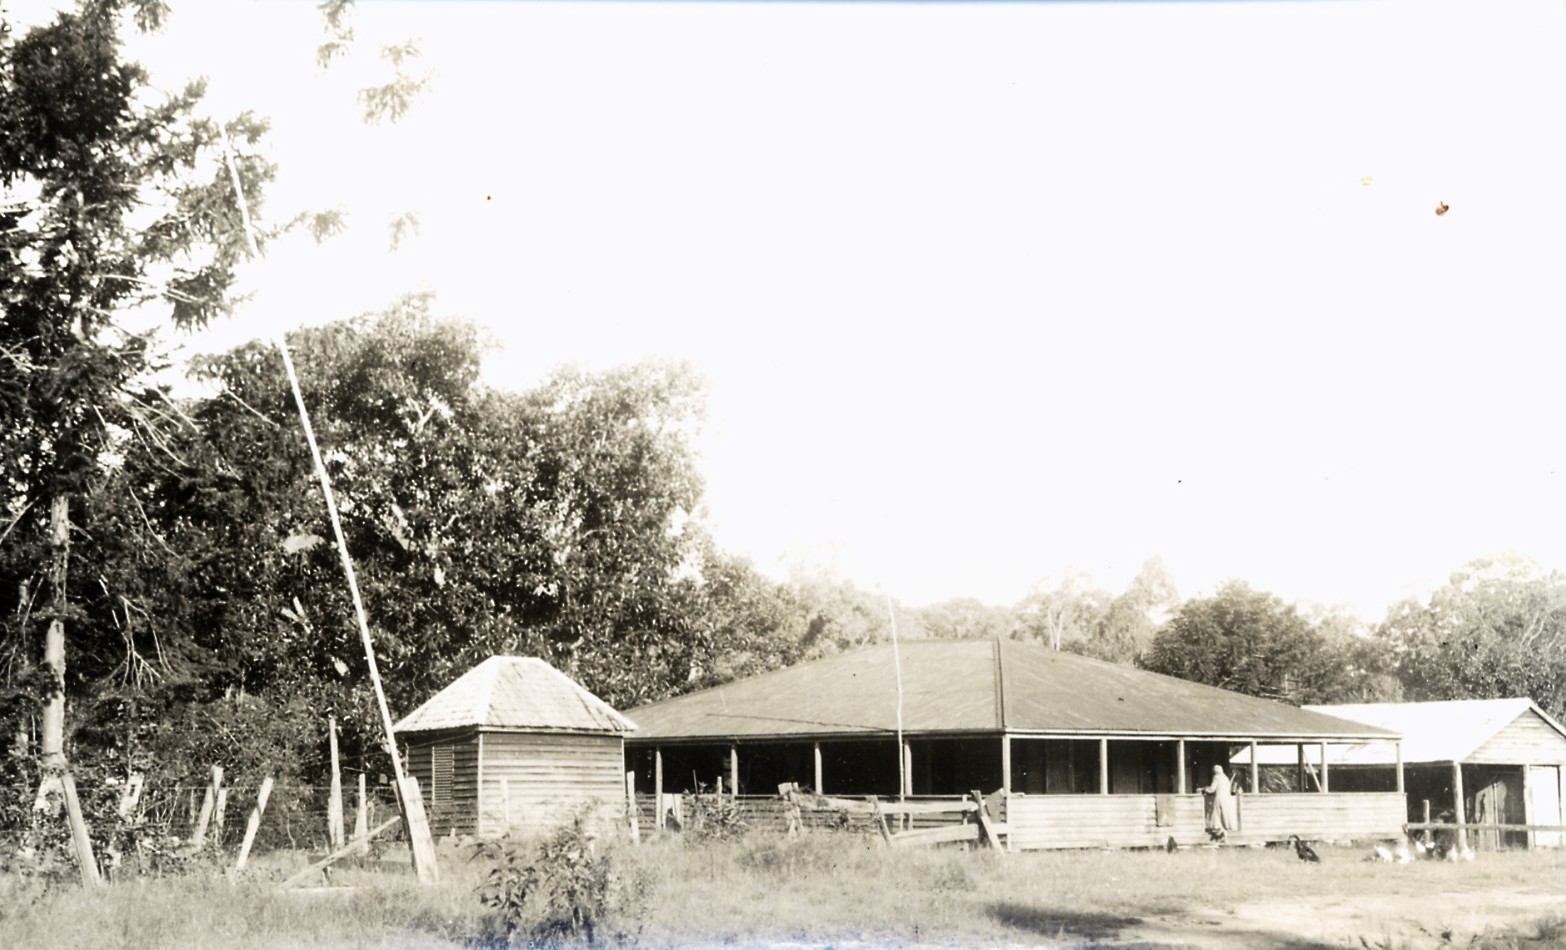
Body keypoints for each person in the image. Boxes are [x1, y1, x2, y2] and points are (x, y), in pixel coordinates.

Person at [1200, 765, 1238, 841]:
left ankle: (1219, 835)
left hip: (1219, 798)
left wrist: (1204, 789)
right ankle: (1225, 835)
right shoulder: (1226, 778)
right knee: (1224, 816)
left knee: (1217, 815)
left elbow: (1212, 789)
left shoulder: (1217, 777)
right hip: (1226, 799)